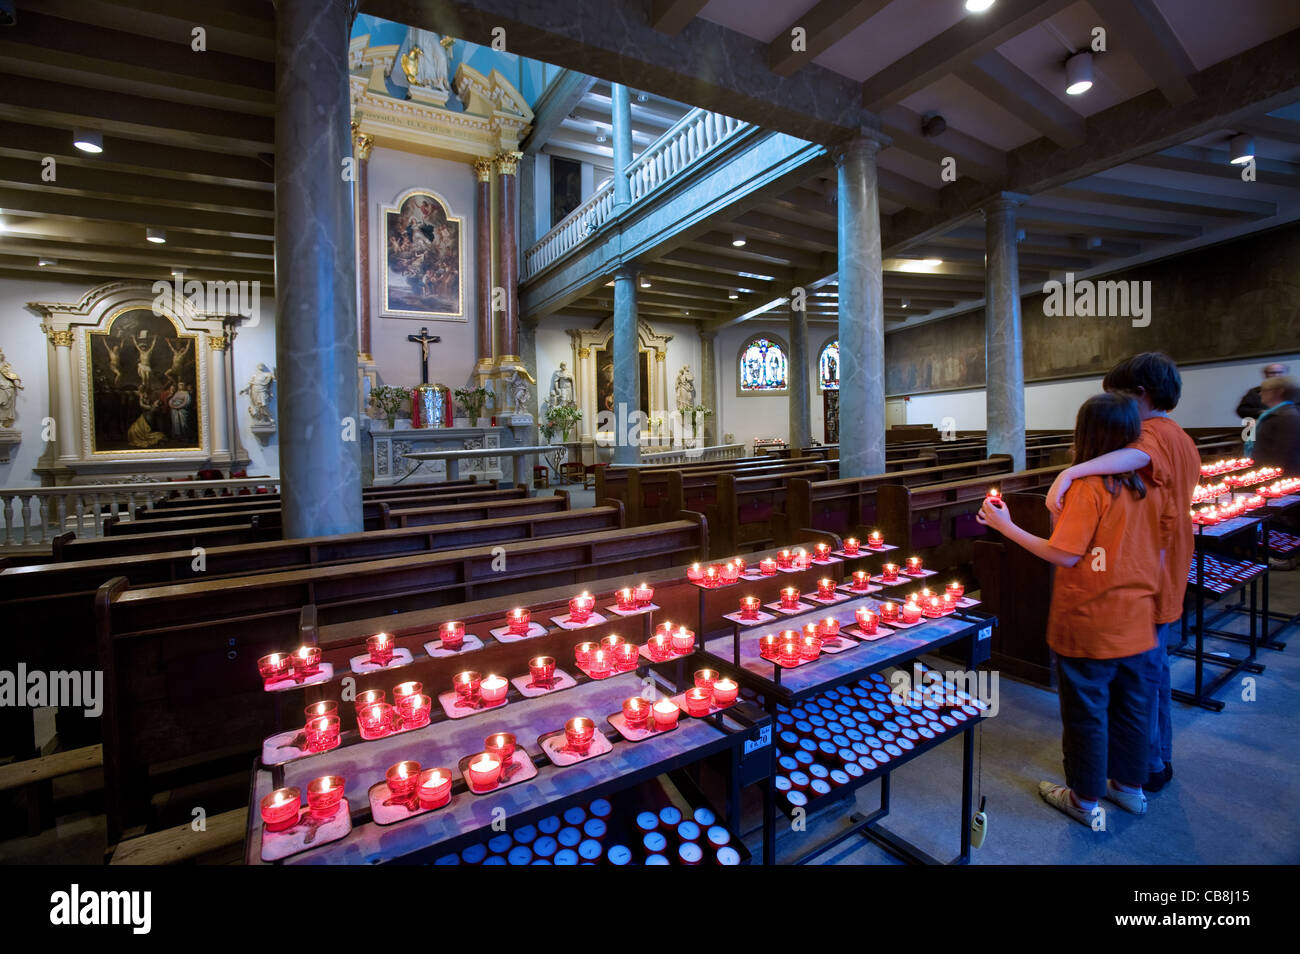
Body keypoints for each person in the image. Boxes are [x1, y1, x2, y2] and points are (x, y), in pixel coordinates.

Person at [979, 392, 1161, 828]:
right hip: (1137, 616)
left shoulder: (1088, 488)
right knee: (1133, 707)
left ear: (1084, 435)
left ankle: (1083, 800)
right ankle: (1130, 790)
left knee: (1087, 711)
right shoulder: (1148, 484)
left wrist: (1007, 527)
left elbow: (1065, 554)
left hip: (1091, 619)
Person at [1046, 352, 1200, 793]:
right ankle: (1148, 765)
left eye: (1118, 394)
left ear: (1140, 394)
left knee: (1141, 684)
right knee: (1150, 676)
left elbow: (1135, 460)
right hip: (1162, 572)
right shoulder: (1181, 437)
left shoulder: (1148, 435)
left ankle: (1145, 768)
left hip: (1142, 579)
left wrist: (1071, 472)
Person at [1253, 374, 1300, 475]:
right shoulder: (1275, 414)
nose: (1260, 393)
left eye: (1264, 390)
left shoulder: (1287, 416)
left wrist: (1268, 475)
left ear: (1279, 391)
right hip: (1270, 472)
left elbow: (1285, 453)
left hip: (1280, 476)